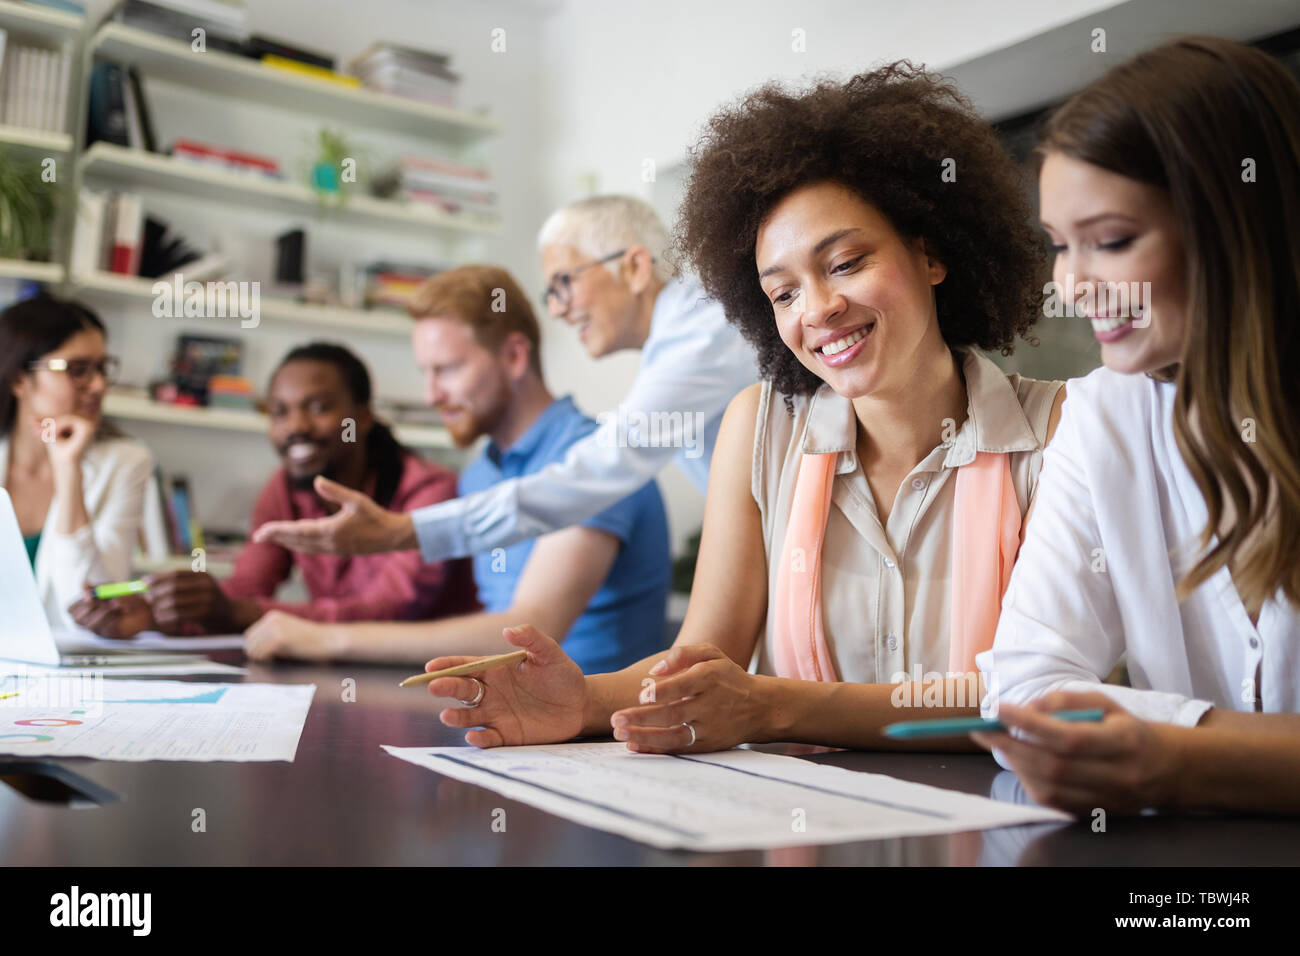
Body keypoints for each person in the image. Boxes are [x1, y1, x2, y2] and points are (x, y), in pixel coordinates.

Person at [417, 63, 1066, 752]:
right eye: (782, 293)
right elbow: (702, 661)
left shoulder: (1056, 433)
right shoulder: (759, 428)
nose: (818, 309)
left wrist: (776, 707)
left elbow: (1028, 696)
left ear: (931, 253)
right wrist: (583, 702)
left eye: (845, 263)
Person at [972, 36, 1300, 816]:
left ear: (1236, 226)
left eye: (1111, 241)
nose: (1072, 286)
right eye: (1058, 246)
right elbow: (1023, 683)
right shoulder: (1102, 416)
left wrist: (1183, 756)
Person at [251, 196, 758, 564]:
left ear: (634, 267)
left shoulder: (703, 330)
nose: (558, 310)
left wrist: (406, 531)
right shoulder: (678, 341)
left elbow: (604, 466)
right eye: (550, 294)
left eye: (564, 283)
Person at [243, 266, 671, 675]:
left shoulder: (598, 461)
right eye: (425, 372)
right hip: (519, 722)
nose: (431, 394)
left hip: (600, 734)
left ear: (515, 356)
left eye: (446, 369)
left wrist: (326, 639)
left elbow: (529, 633)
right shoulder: (479, 477)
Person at [71, 342, 477, 638]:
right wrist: (156, 613)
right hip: (344, 666)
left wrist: (234, 611)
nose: (295, 426)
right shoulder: (284, 489)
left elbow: (389, 611)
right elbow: (247, 588)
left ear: (364, 417)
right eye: (279, 411)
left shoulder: (429, 490)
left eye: (317, 407)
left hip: (432, 681)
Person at [0, 293, 153, 628]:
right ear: (19, 380)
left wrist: (68, 470)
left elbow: (97, 606)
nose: (98, 385)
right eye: (78, 370)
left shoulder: (127, 463)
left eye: (102, 368)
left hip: (65, 663)